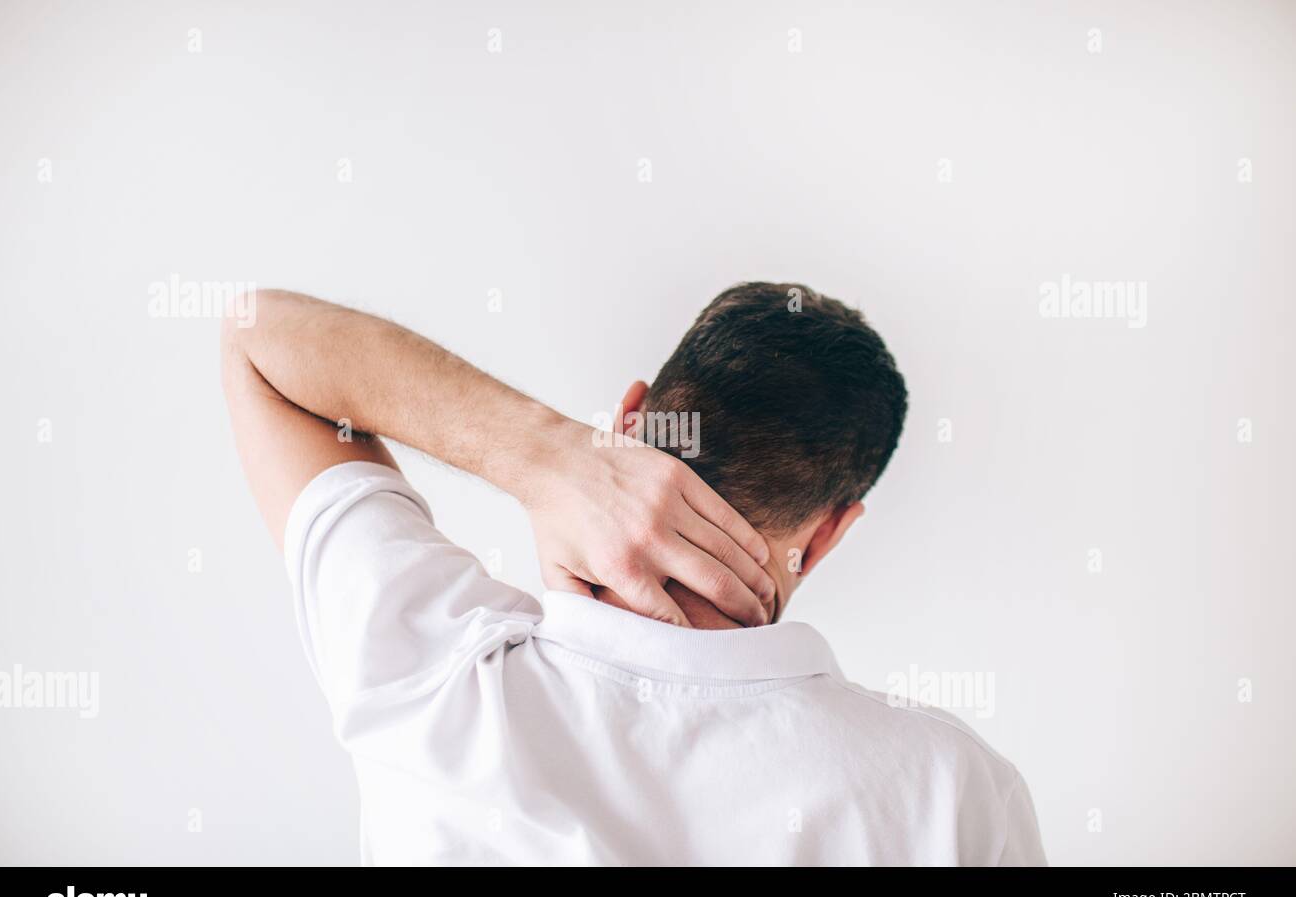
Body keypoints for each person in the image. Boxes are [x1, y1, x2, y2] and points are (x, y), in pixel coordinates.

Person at [221, 282, 1046, 865]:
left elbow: (256, 335)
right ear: (829, 532)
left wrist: (547, 454)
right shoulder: (952, 793)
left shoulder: (433, 669)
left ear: (628, 414)